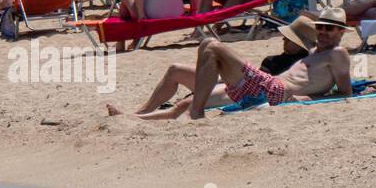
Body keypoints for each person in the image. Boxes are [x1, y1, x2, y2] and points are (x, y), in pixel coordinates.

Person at [105, 15, 318, 120]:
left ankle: (138, 119)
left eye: (288, 39)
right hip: (225, 78)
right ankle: (143, 110)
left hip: (238, 90)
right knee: (175, 69)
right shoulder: (276, 58)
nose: (283, 40)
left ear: (299, 43)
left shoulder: (298, 64)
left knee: (188, 101)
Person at [184, 9, 352, 119]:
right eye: (320, 27)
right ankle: (191, 109)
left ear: (341, 31)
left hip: (273, 91)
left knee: (212, 45)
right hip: (266, 88)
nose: (322, 32)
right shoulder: (314, 52)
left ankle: (197, 112)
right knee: (208, 44)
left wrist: (308, 98)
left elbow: (345, 93)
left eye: (329, 29)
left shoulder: (338, 53)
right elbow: (320, 83)